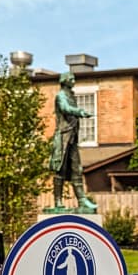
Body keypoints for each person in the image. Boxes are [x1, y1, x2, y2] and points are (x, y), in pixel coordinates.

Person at [48, 73, 97, 211]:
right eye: (71, 79)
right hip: (63, 137)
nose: (74, 81)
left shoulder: (71, 95)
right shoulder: (61, 96)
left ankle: (82, 200)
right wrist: (79, 112)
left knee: (77, 169)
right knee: (60, 169)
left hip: (72, 138)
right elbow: (65, 108)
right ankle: (58, 201)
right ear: (65, 81)